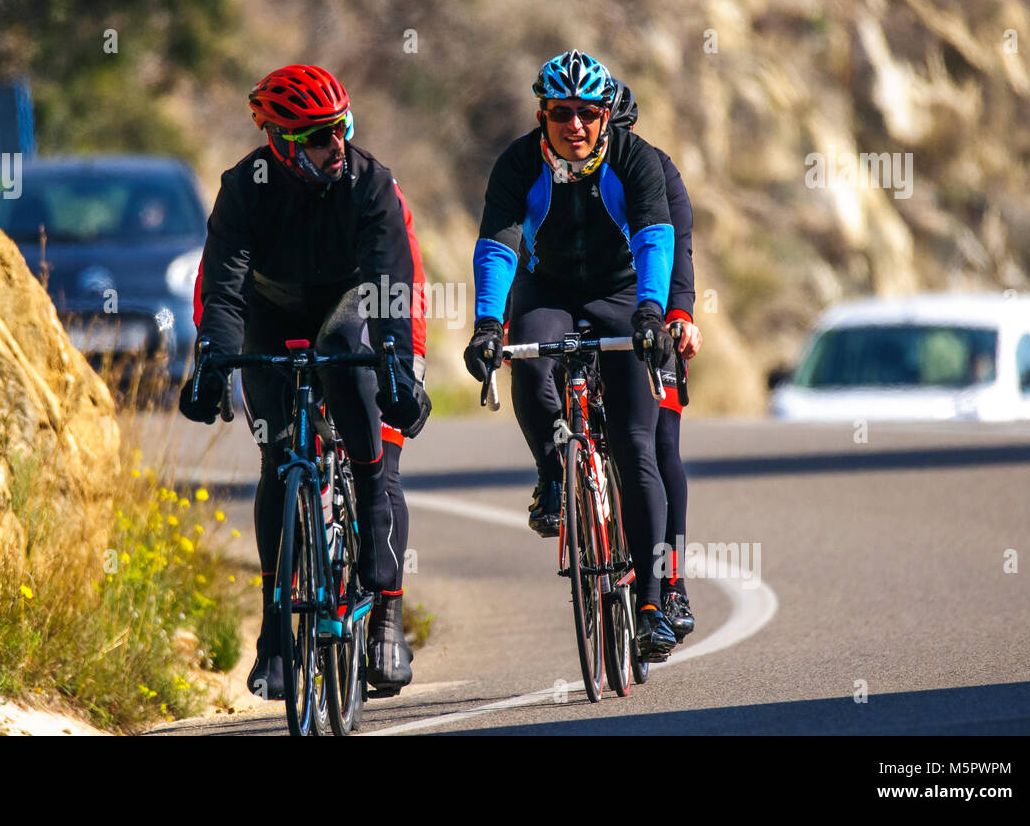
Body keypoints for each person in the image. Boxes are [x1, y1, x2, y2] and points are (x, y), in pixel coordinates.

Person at [180, 64, 430, 696]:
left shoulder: (369, 183)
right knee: (277, 456)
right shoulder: (246, 187)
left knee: (349, 359)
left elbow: (391, 285)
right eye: (320, 135)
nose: (336, 143)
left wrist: (399, 365)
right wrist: (212, 363)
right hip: (269, 306)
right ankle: (273, 632)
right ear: (283, 144)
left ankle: (386, 619)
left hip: (351, 296)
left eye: (341, 127)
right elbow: (224, 289)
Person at [463, 49, 678, 658]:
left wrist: (651, 313)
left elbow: (655, 238)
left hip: (620, 292)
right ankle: (553, 474)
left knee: (638, 447)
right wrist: (486, 323)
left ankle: (653, 603)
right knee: (531, 369)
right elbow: (499, 247)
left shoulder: (636, 160)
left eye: (587, 113)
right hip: (547, 288)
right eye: (561, 114)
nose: (575, 126)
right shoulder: (516, 163)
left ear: (607, 114)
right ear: (542, 114)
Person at [609, 83, 702, 643]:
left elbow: (680, 247)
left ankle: (671, 582)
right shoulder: (555, 175)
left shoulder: (654, 171)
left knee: (661, 442)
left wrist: (680, 313)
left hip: (648, 313)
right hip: (588, 310)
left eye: (618, 130)